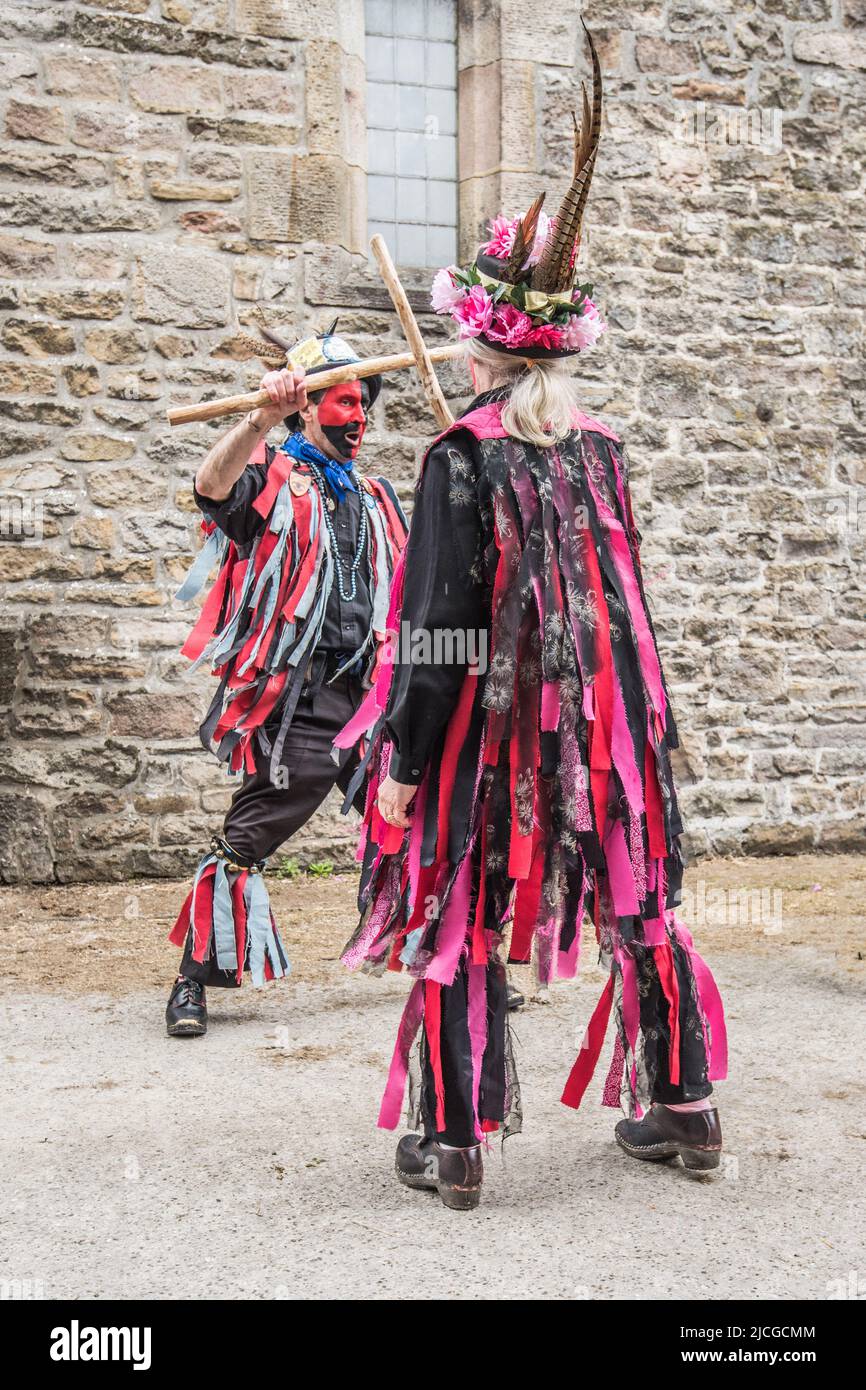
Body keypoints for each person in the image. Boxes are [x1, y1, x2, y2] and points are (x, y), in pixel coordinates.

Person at [335, 28, 727, 1209]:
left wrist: (403, 755)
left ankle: (453, 1143)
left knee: (451, 903)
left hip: (490, 740)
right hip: (604, 733)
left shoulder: (462, 453)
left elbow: (438, 620)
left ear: (484, 343)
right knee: (633, 893)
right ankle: (687, 1108)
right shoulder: (599, 448)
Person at [164, 325, 406, 1036]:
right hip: (298, 701)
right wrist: (258, 419)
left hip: (374, 702)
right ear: (306, 408)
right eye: (342, 403)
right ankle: (192, 982)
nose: (358, 417)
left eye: (364, 404)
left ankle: (444, 959)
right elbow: (210, 490)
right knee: (248, 838)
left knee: (415, 824)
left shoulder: (377, 496)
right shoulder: (271, 476)